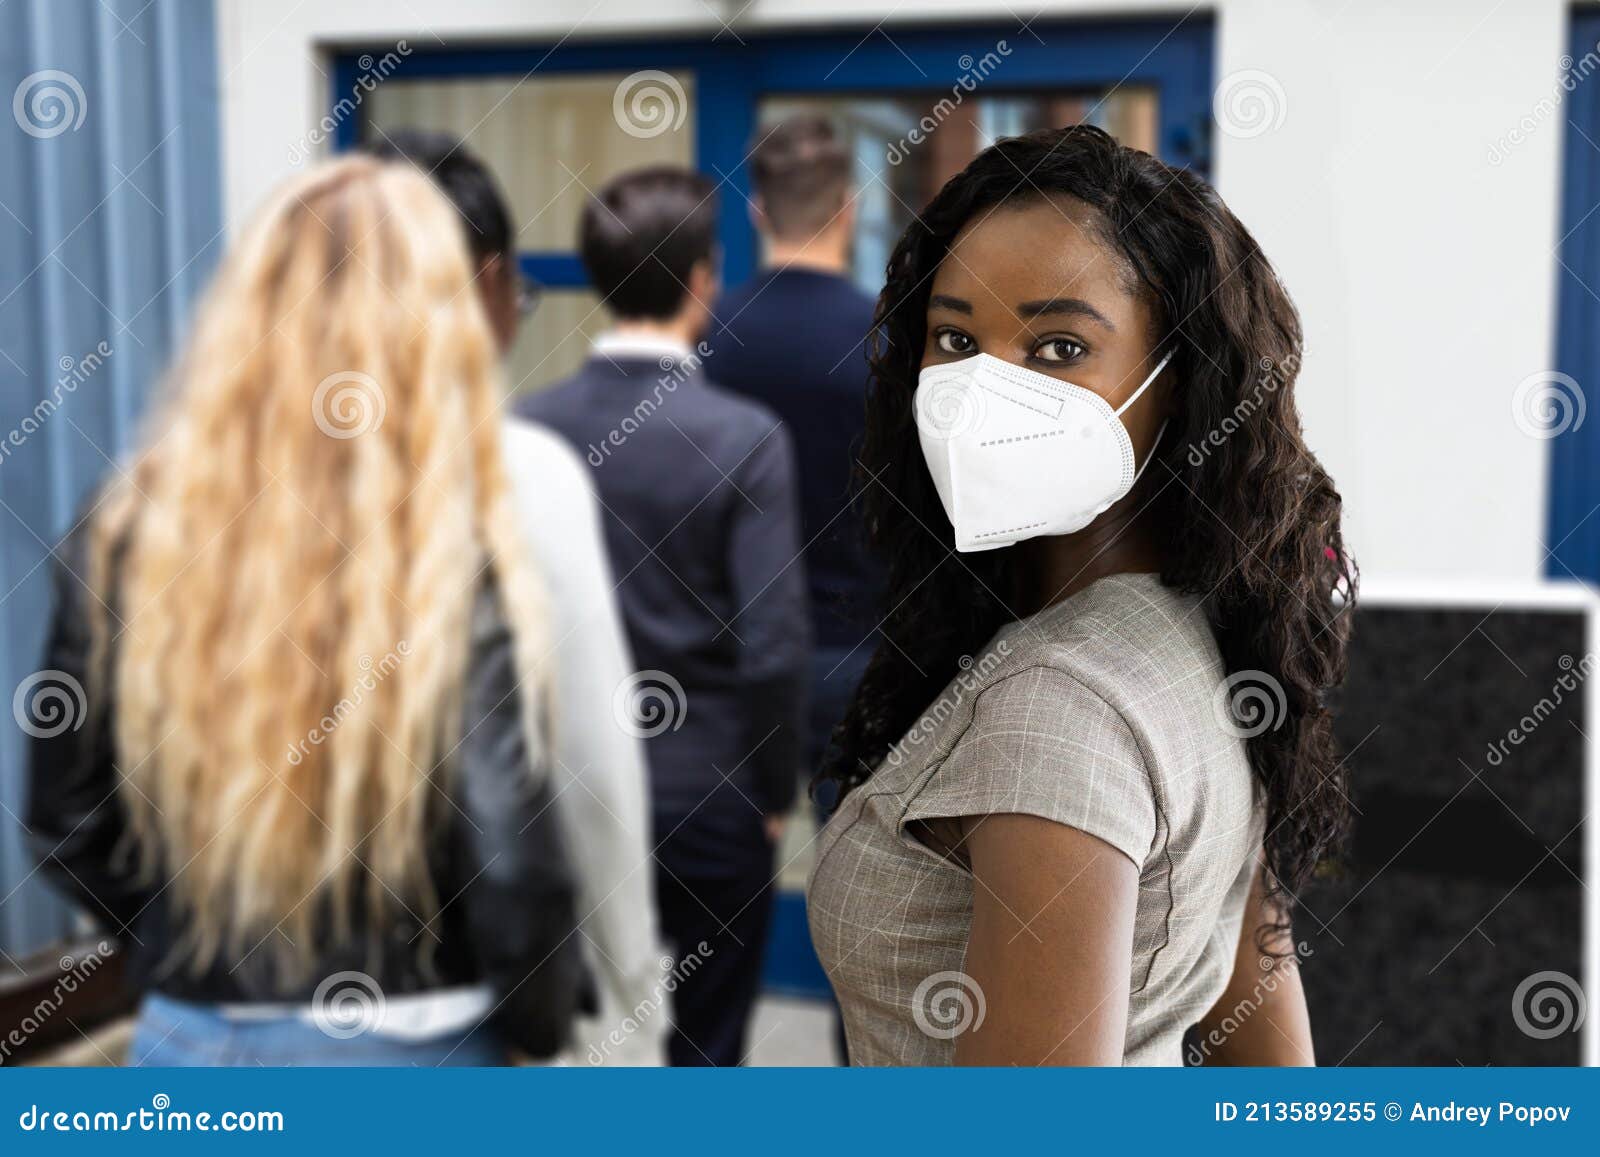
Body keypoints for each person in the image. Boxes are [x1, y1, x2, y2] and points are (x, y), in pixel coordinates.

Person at [26, 157, 590, 1065]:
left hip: (186, 1045)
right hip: (412, 1046)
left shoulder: (130, 525)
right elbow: (511, 863)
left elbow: (66, 812)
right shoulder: (442, 541)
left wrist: (191, 948)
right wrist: (538, 1027)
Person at [808, 125, 1351, 1066]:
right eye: (956, 337)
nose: (984, 389)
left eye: (1058, 345)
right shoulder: (1205, 633)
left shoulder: (1057, 707)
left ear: (1179, 382)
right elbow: (1270, 1068)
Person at [367, 130, 667, 1065]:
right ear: (490, 284)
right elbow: (589, 773)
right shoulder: (515, 476)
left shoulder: (202, 483)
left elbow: (77, 810)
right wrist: (625, 1001)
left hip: (217, 1023)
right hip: (440, 1017)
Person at [517, 166, 811, 1067]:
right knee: (708, 1048)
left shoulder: (528, 428)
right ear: (701, 278)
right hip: (709, 791)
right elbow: (774, 642)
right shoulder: (744, 436)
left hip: (561, 789)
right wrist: (771, 794)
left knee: (579, 1046)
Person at [710, 116, 881, 802]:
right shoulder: (890, 339)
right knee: (865, 889)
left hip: (732, 653)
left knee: (726, 885)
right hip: (862, 650)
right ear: (849, 209)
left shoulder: (707, 338)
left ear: (756, 211)